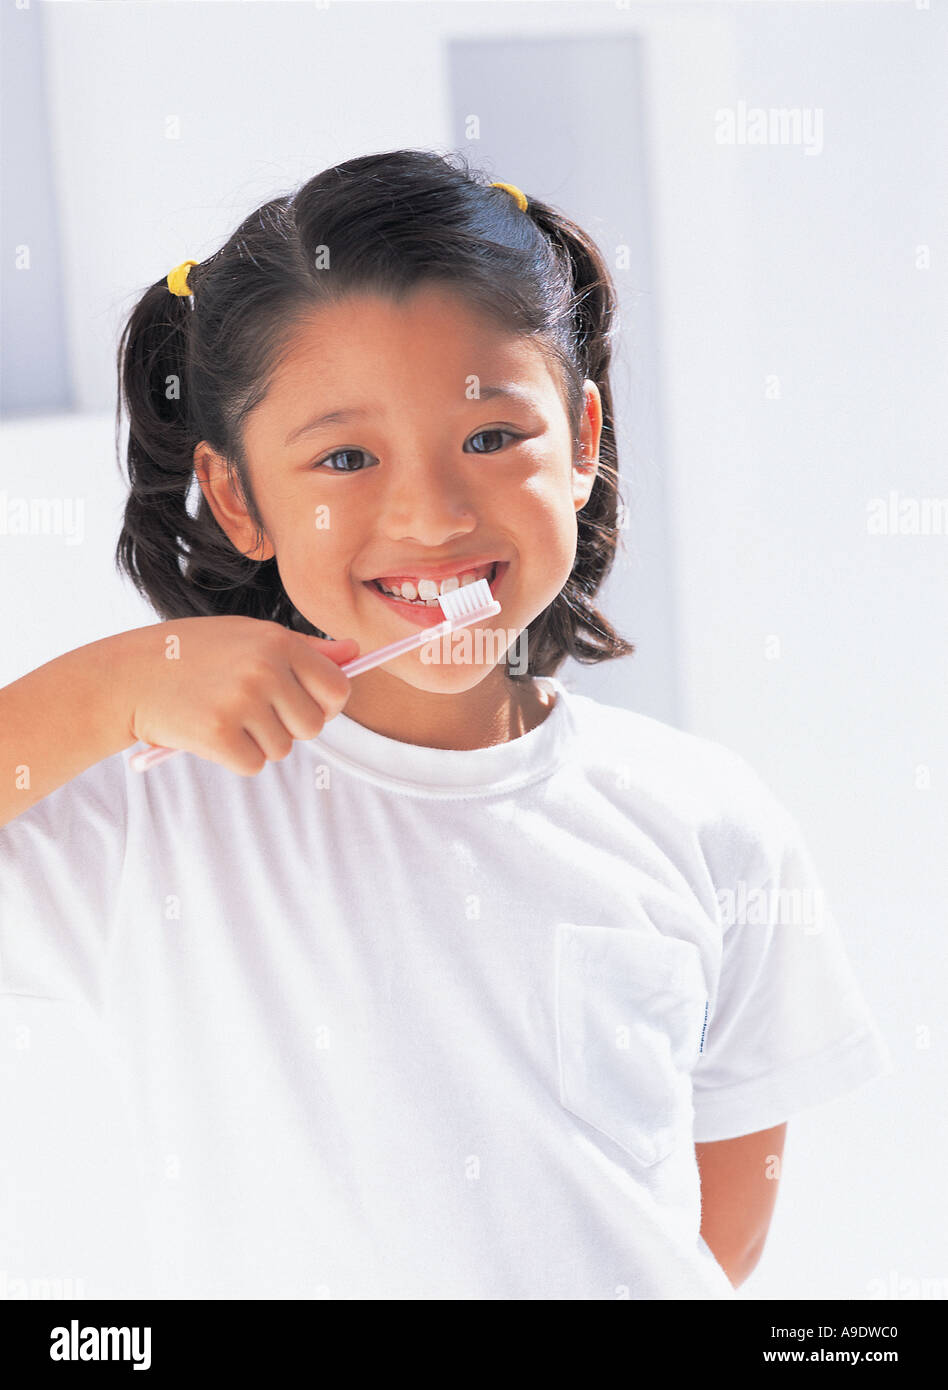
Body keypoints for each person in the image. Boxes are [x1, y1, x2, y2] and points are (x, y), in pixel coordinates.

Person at [0, 149, 891, 1299]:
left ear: (580, 439)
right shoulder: (152, 813)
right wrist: (118, 682)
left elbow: (725, 1229)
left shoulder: (708, 819)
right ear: (237, 498)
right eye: (346, 457)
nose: (429, 512)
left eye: (489, 438)